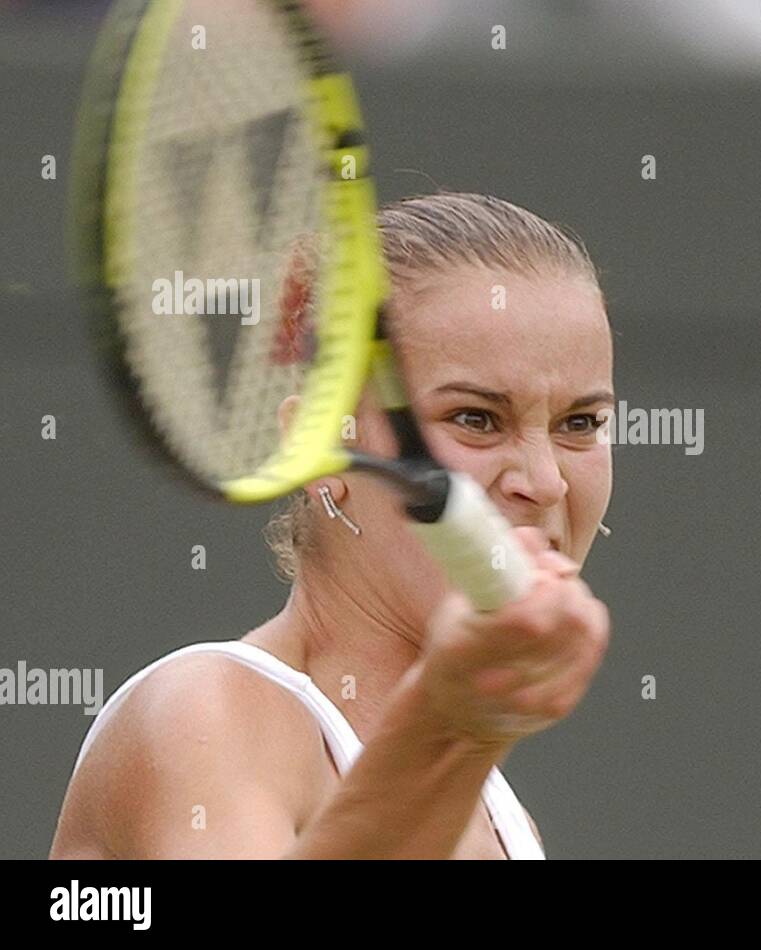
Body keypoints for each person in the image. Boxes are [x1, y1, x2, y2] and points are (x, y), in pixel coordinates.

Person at [50, 192, 614, 859]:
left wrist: (462, 733)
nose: (545, 480)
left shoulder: (502, 821)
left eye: (580, 424)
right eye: (476, 418)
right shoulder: (205, 713)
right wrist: (448, 726)